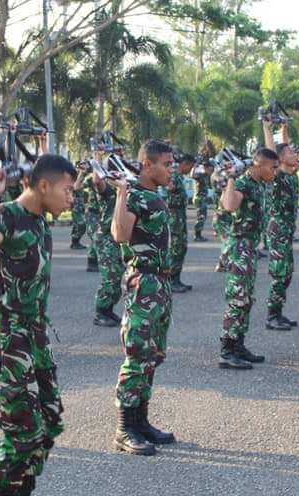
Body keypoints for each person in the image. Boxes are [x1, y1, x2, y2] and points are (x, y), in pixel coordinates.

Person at [0, 155, 76, 496]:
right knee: (23, 431)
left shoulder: (39, 219)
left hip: (34, 334)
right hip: (7, 335)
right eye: (68, 190)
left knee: (49, 421)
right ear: (43, 186)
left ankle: (20, 488)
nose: (71, 198)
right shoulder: (8, 215)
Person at [111, 140, 177, 456]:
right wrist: (122, 194)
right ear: (147, 165)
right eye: (166, 163)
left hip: (161, 284)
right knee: (137, 354)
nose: (171, 169)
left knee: (152, 355)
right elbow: (120, 235)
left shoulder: (154, 196)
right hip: (144, 282)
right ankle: (125, 428)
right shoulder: (134, 195)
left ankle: (141, 421)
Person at [218, 148, 279, 370]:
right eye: (273, 167)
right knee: (237, 299)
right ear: (259, 165)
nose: (276, 171)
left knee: (246, 299)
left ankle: (238, 345)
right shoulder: (243, 183)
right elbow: (230, 206)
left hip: (250, 247)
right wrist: (231, 177)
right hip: (239, 247)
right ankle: (226, 350)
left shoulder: (258, 184)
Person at [262, 118, 299, 330]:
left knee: (287, 272)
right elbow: (272, 153)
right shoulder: (276, 177)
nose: (295, 155)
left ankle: (278, 312)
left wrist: (284, 129)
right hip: (277, 230)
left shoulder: (292, 176)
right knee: (279, 273)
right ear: (280, 159)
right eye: (291, 153)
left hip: (287, 232)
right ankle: (271, 316)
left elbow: (283, 150)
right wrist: (267, 128)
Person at [91, 152, 124, 328]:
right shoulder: (108, 189)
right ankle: (100, 312)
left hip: (117, 239)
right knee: (110, 277)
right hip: (105, 238)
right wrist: (96, 162)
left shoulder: (123, 187)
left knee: (117, 275)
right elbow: (97, 182)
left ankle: (109, 309)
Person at [166, 154, 194, 294]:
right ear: (185, 164)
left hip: (179, 216)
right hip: (174, 216)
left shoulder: (178, 176)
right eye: (190, 166)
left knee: (182, 247)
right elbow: (168, 187)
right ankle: (171, 280)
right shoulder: (174, 176)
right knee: (176, 248)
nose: (191, 169)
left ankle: (176, 278)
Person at [82, 170, 100, 272]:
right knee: (95, 236)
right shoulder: (90, 178)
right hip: (92, 212)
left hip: (101, 211)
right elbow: (78, 186)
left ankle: (93, 261)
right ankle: (91, 261)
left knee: (97, 236)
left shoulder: (110, 177)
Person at [69, 162, 88, 250]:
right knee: (81, 225)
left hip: (80, 207)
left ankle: (75, 243)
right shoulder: (74, 179)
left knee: (77, 225)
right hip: (76, 207)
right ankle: (75, 242)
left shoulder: (80, 178)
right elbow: (76, 187)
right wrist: (82, 172)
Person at [191, 160, 211, 242]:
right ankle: (197, 235)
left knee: (202, 217)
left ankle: (198, 234)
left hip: (203, 198)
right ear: (206, 168)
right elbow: (192, 175)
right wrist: (194, 167)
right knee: (201, 217)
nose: (211, 170)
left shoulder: (206, 176)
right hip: (199, 198)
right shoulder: (200, 175)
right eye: (210, 169)